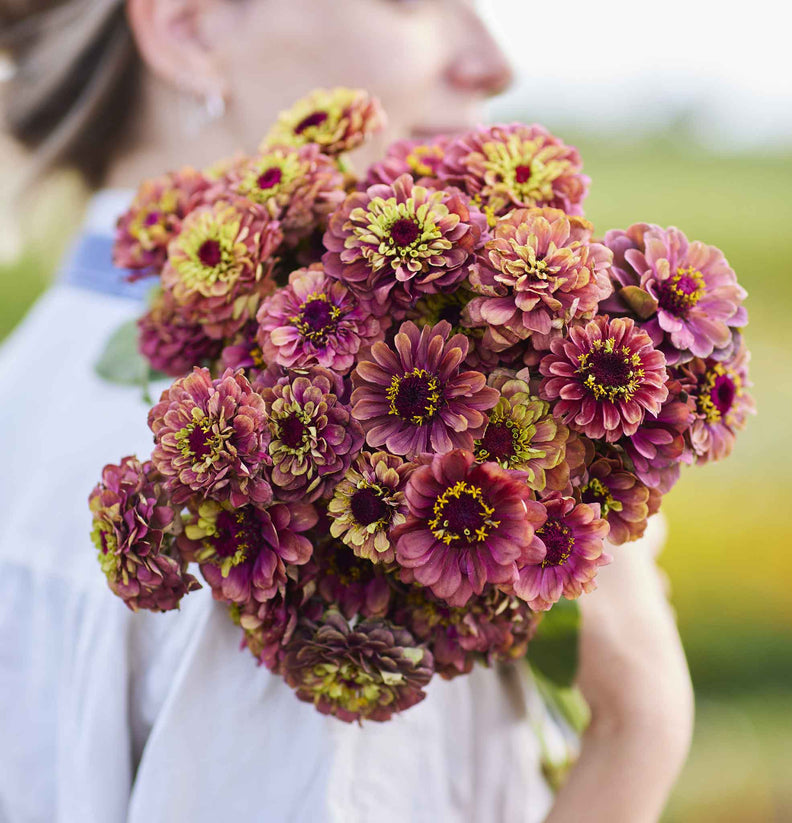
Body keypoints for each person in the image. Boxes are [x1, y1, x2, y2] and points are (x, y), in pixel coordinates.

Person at [0, 1, 694, 821]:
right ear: (189, 27)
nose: (491, 61)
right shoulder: (287, 531)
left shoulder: (35, 370)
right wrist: (638, 726)